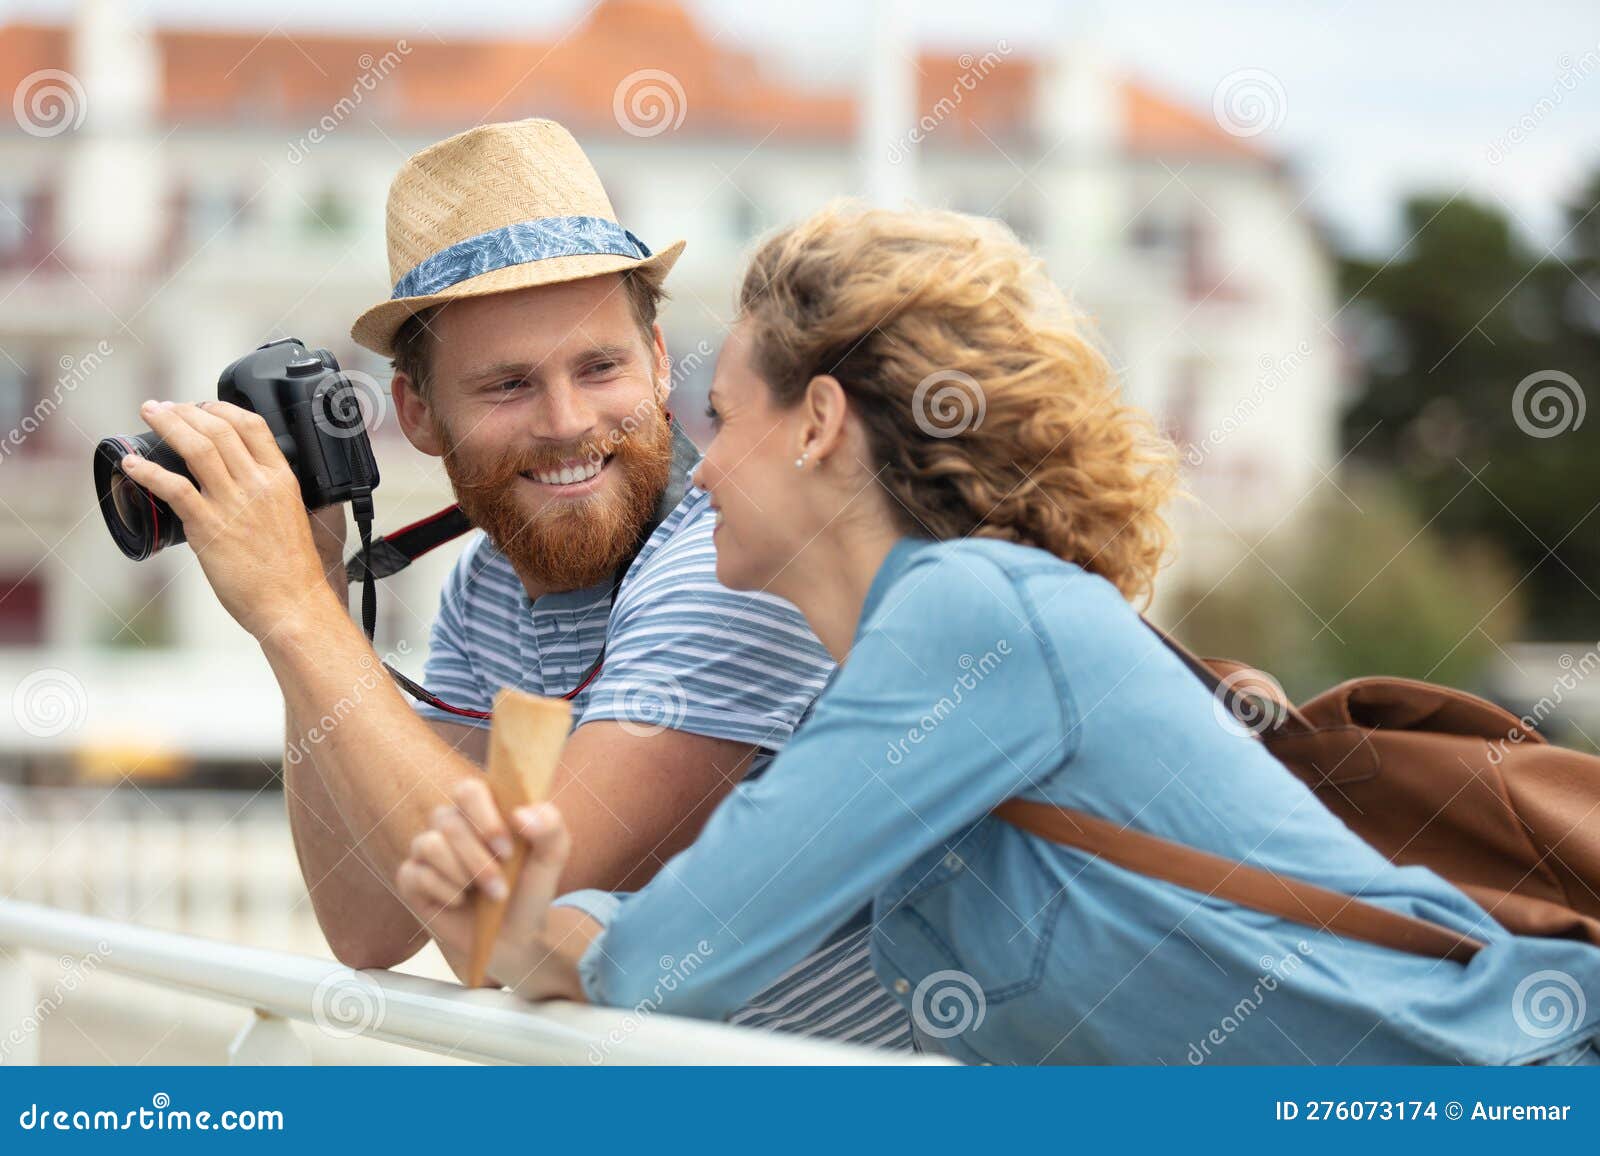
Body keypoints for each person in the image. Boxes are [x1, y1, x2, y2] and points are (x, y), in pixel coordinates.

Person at [398, 200, 1600, 1065]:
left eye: (720, 420)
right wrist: (527, 932)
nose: (699, 475)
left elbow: (669, 961)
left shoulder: (969, 612)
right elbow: (685, 944)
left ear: (819, 421)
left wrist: (534, 933)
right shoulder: (920, 659)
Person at [114, 123, 911, 1049]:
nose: (568, 422)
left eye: (599, 366)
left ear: (658, 363)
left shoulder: (732, 567)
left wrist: (291, 608)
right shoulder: (488, 582)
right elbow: (371, 925)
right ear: (417, 412)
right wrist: (319, 587)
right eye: (507, 386)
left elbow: (496, 922)